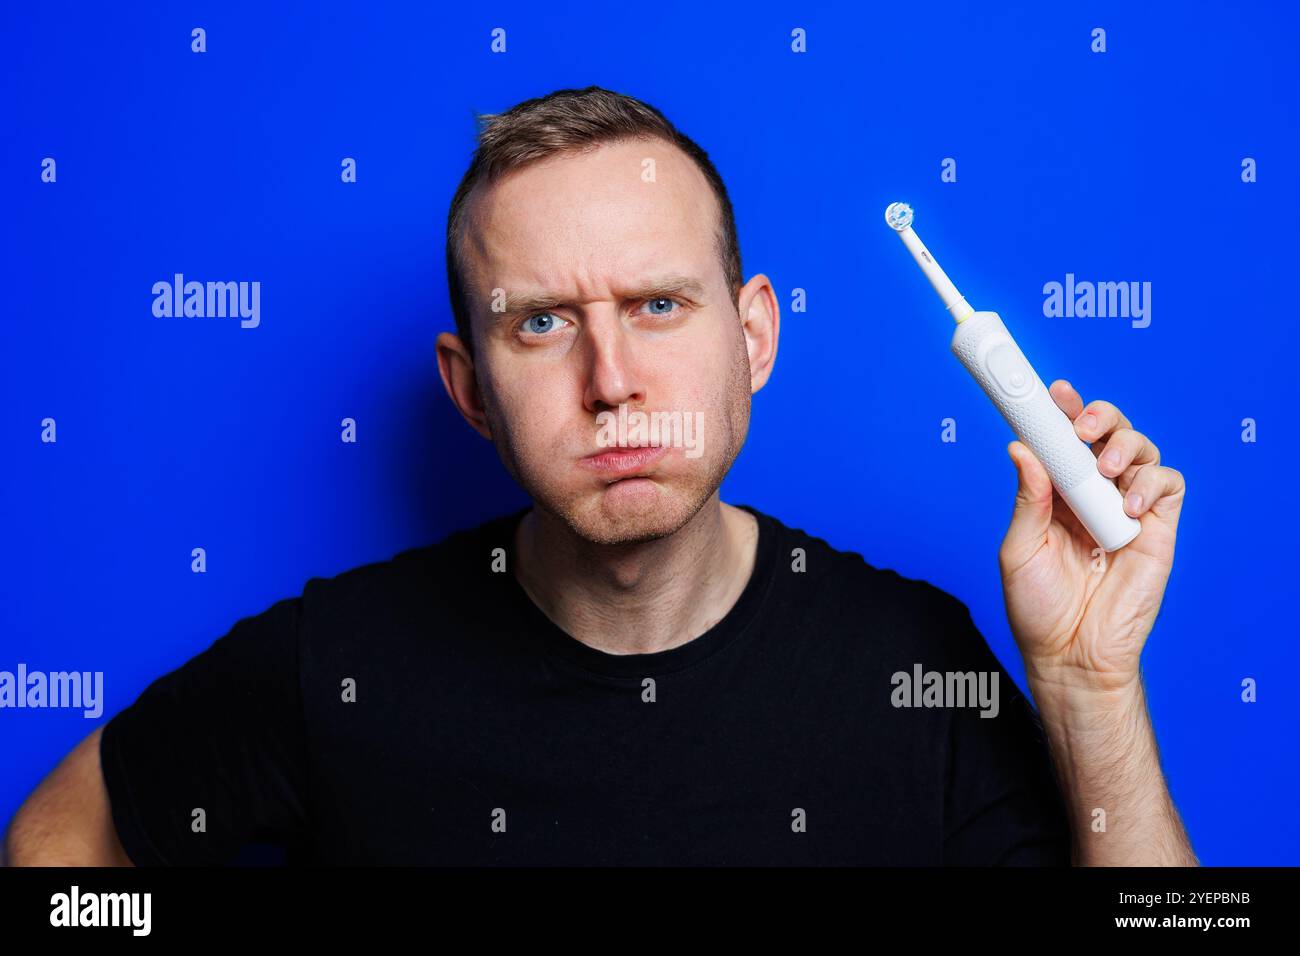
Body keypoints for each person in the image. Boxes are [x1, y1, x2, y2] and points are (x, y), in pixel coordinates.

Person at [5, 86, 1193, 866]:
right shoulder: (341, 662)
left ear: (755, 336)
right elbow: (63, 851)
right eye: (540, 326)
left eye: (658, 304)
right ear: (468, 387)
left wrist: (1090, 684)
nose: (612, 377)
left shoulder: (917, 667)